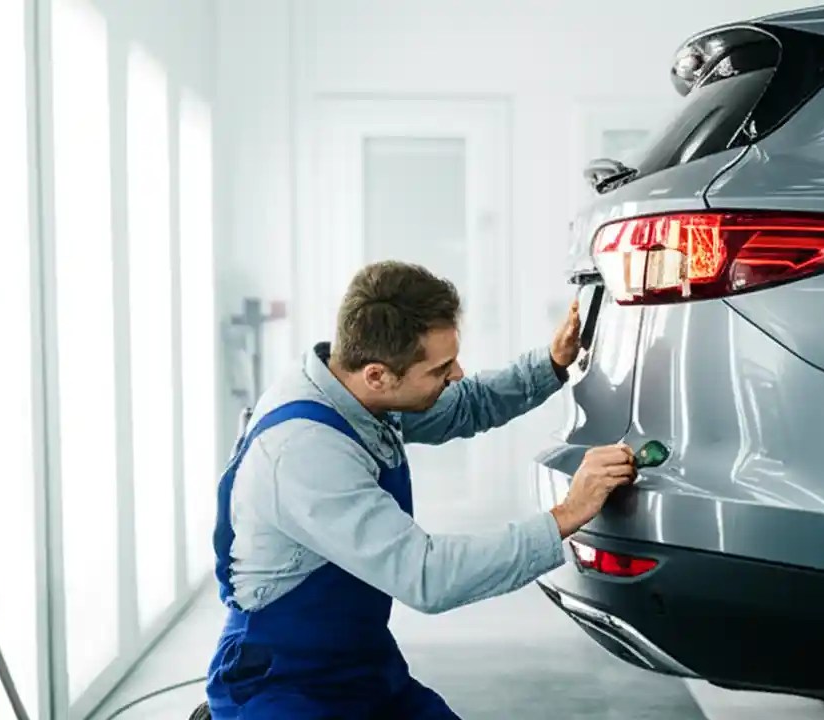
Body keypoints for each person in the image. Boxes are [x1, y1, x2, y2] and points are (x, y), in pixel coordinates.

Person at [203, 261, 636, 719]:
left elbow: (465, 405)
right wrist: (567, 513)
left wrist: (550, 363)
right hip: (282, 682)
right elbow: (427, 575)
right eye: (440, 369)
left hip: (360, 665)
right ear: (377, 374)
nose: (456, 374)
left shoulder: (349, 387)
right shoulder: (304, 453)